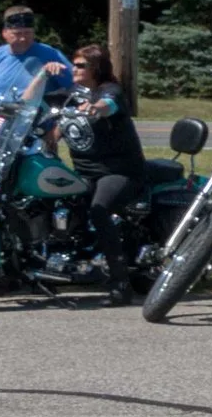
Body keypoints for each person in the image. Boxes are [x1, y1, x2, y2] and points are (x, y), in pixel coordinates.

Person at [52, 45, 148, 305]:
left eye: (81, 65)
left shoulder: (110, 91)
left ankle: (120, 284)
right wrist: (41, 76)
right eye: (74, 64)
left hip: (118, 171)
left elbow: (109, 105)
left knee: (99, 209)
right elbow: (39, 103)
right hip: (84, 172)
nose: (75, 69)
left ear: (97, 67)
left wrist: (95, 108)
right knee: (58, 200)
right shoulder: (72, 94)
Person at [0, 7, 72, 129]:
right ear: (5, 33)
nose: (23, 38)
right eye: (17, 34)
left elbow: (75, 87)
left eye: (27, 33)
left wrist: (57, 128)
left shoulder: (51, 55)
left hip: (38, 128)